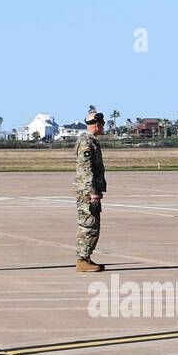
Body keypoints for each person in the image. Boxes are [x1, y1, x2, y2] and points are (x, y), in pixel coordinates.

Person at [74, 109, 107, 272]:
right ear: (96, 124)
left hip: (90, 190)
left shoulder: (90, 140)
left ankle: (85, 258)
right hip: (88, 192)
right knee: (89, 226)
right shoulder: (86, 142)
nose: (103, 127)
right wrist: (92, 192)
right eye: (102, 124)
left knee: (92, 226)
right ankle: (82, 260)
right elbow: (85, 169)